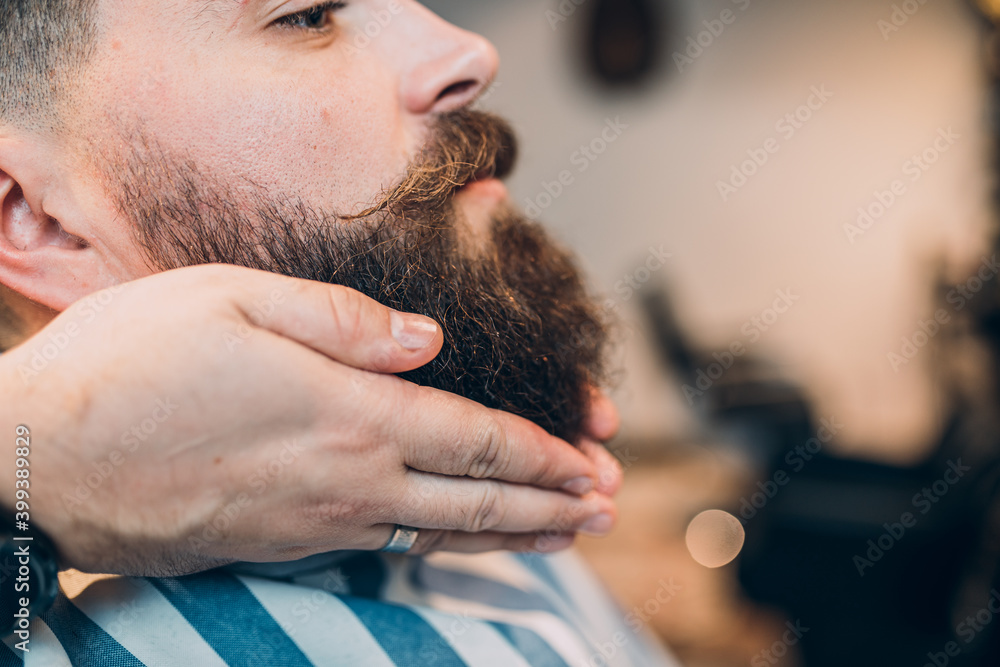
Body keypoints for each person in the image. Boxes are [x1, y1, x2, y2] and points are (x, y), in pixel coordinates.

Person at [0, 0, 678, 664]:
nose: (471, 52)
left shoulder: (482, 519)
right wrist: (28, 463)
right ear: (40, 221)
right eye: (309, 14)